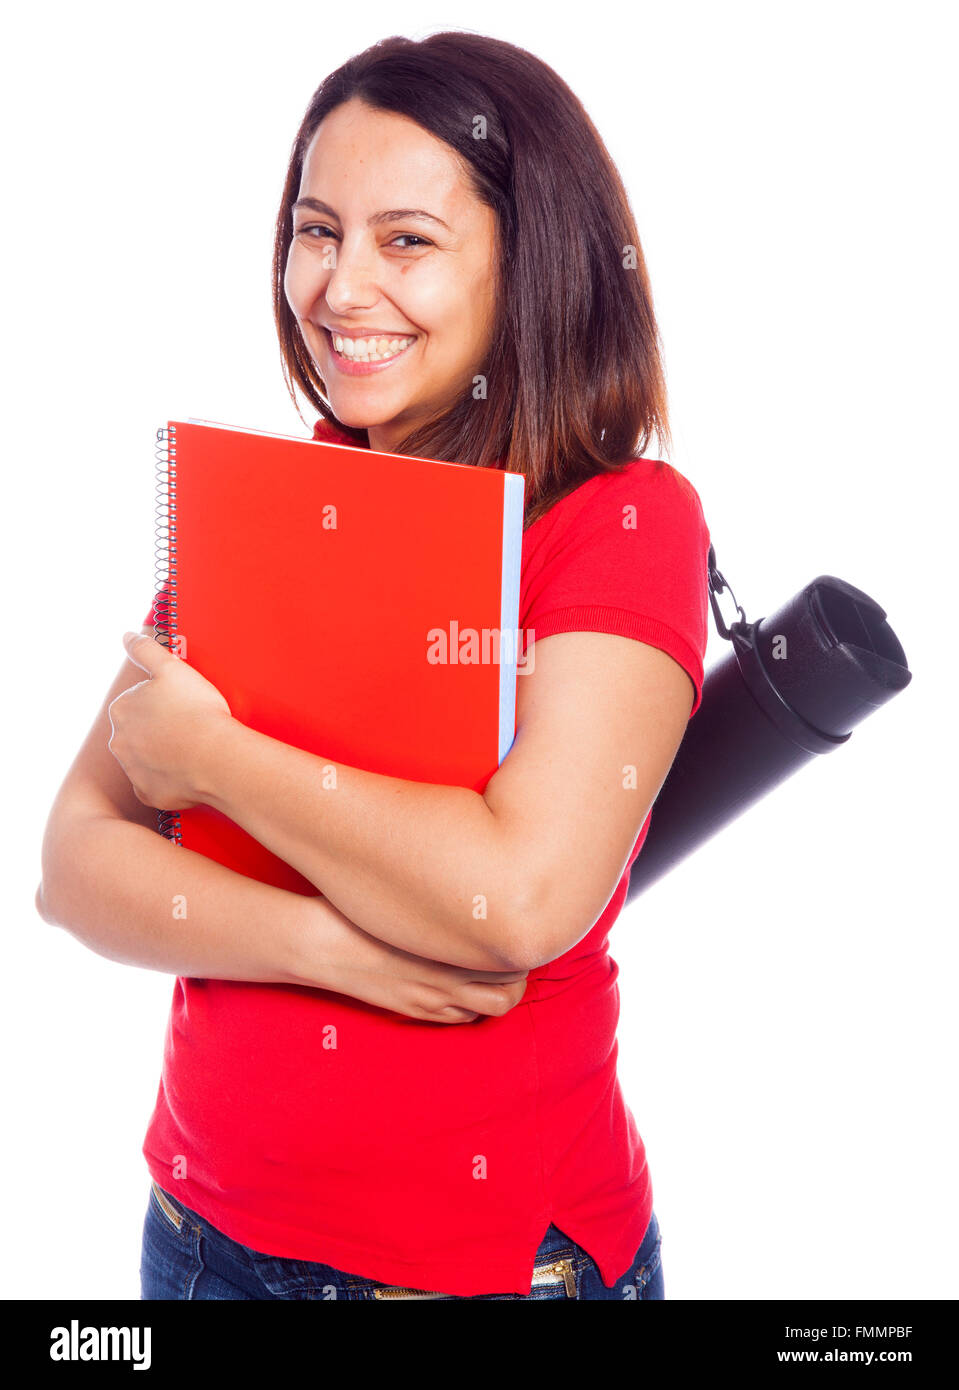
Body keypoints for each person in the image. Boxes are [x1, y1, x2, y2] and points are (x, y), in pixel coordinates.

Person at [37, 31, 709, 1300]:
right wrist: (331, 949)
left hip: (472, 1272)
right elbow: (76, 864)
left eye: (406, 239)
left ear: (533, 262)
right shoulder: (272, 503)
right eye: (315, 229)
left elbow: (514, 899)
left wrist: (216, 762)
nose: (340, 287)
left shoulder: (615, 520)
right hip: (196, 1238)